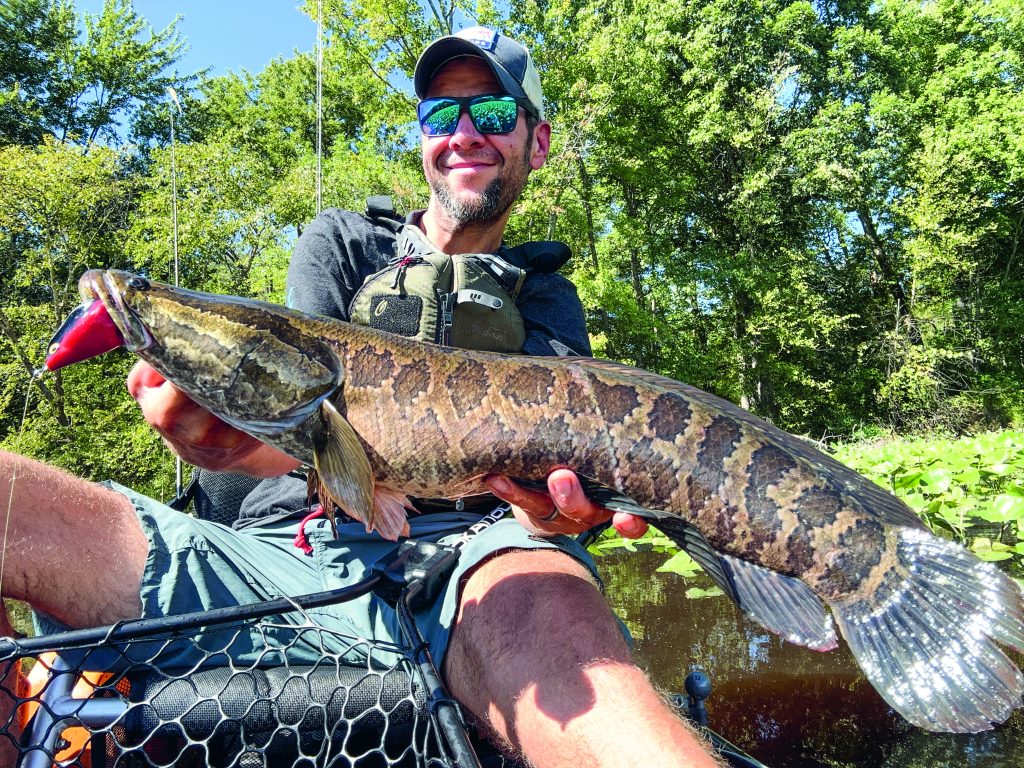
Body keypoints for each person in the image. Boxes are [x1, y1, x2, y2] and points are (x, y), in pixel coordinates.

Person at [0, 28, 722, 768]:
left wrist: (558, 517)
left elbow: (561, 501)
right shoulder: (342, 243)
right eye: (441, 116)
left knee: (566, 620)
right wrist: (239, 447)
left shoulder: (546, 296)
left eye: (494, 114)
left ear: (536, 143)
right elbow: (302, 421)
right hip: (273, 560)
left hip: (483, 569)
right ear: (422, 140)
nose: (464, 134)